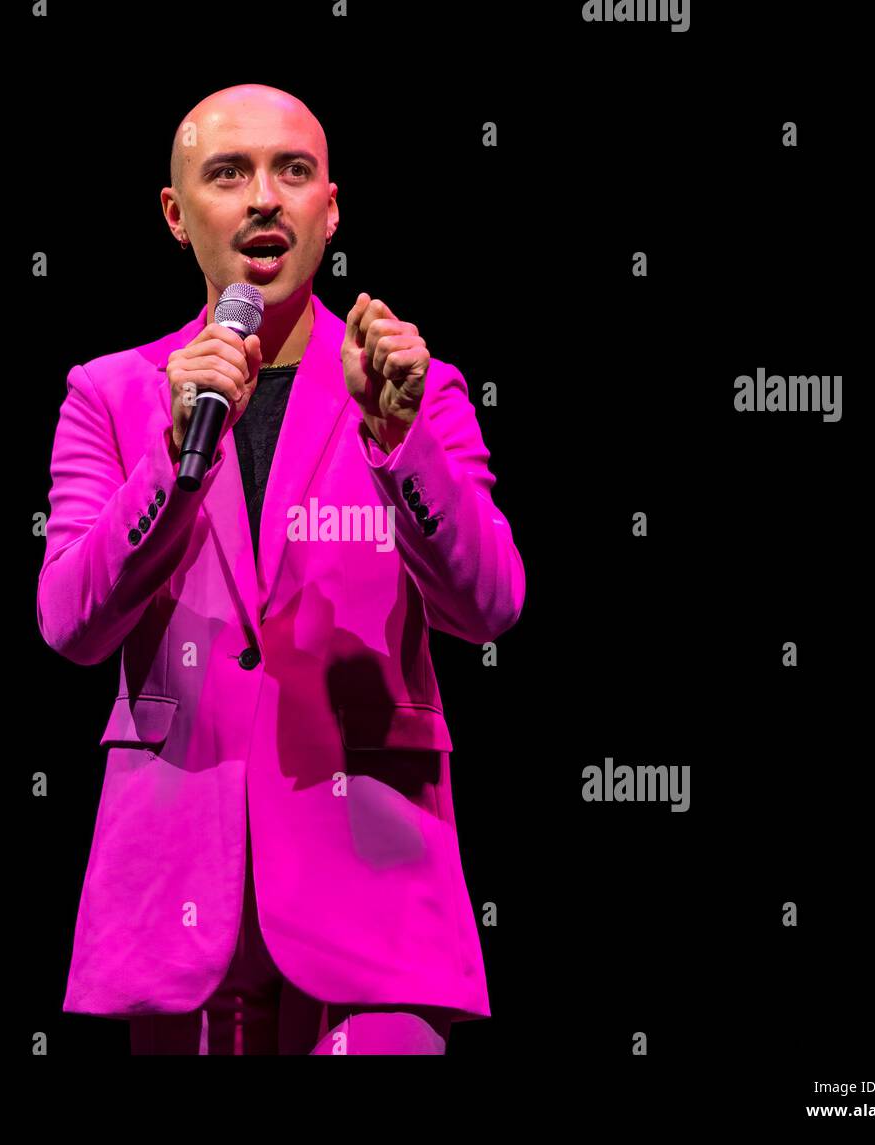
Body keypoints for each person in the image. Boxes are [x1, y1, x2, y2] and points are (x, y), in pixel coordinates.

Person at [37, 83, 525, 1054]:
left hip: (372, 881)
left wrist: (400, 444)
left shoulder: (406, 384)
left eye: (291, 172)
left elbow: (490, 605)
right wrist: (171, 467)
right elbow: (69, 621)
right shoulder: (112, 392)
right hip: (180, 888)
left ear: (330, 209)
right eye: (230, 173)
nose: (264, 197)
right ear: (178, 215)